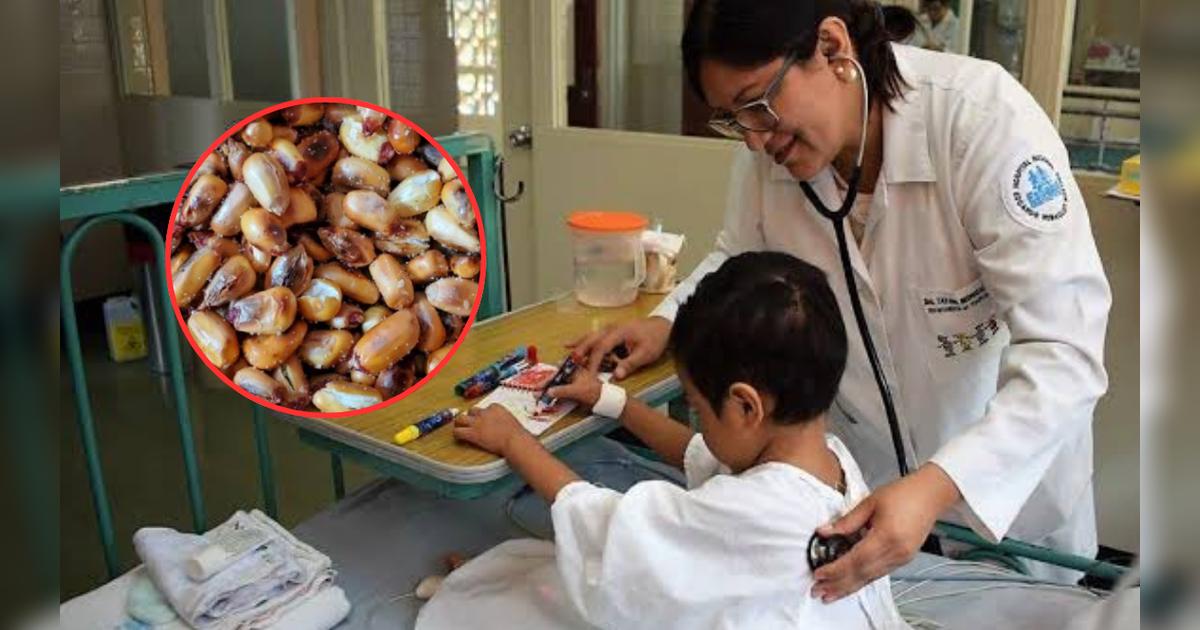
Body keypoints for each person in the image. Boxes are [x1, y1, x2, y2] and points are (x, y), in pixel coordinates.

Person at [569, 0, 1111, 597]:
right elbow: (737, 253)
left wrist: (936, 485)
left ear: (831, 48)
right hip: (866, 495)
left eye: (757, 104)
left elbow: (1065, 351)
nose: (753, 141)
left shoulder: (980, 121)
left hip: (1009, 498)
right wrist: (666, 322)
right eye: (732, 119)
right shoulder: (773, 157)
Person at [429, 252, 909, 629]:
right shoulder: (829, 463)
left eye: (698, 409)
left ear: (745, 406)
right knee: (539, 573)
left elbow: (608, 531)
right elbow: (703, 455)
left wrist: (514, 441)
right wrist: (610, 401)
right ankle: (487, 586)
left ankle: (480, 591)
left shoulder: (750, 512)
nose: (696, 421)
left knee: (547, 590)